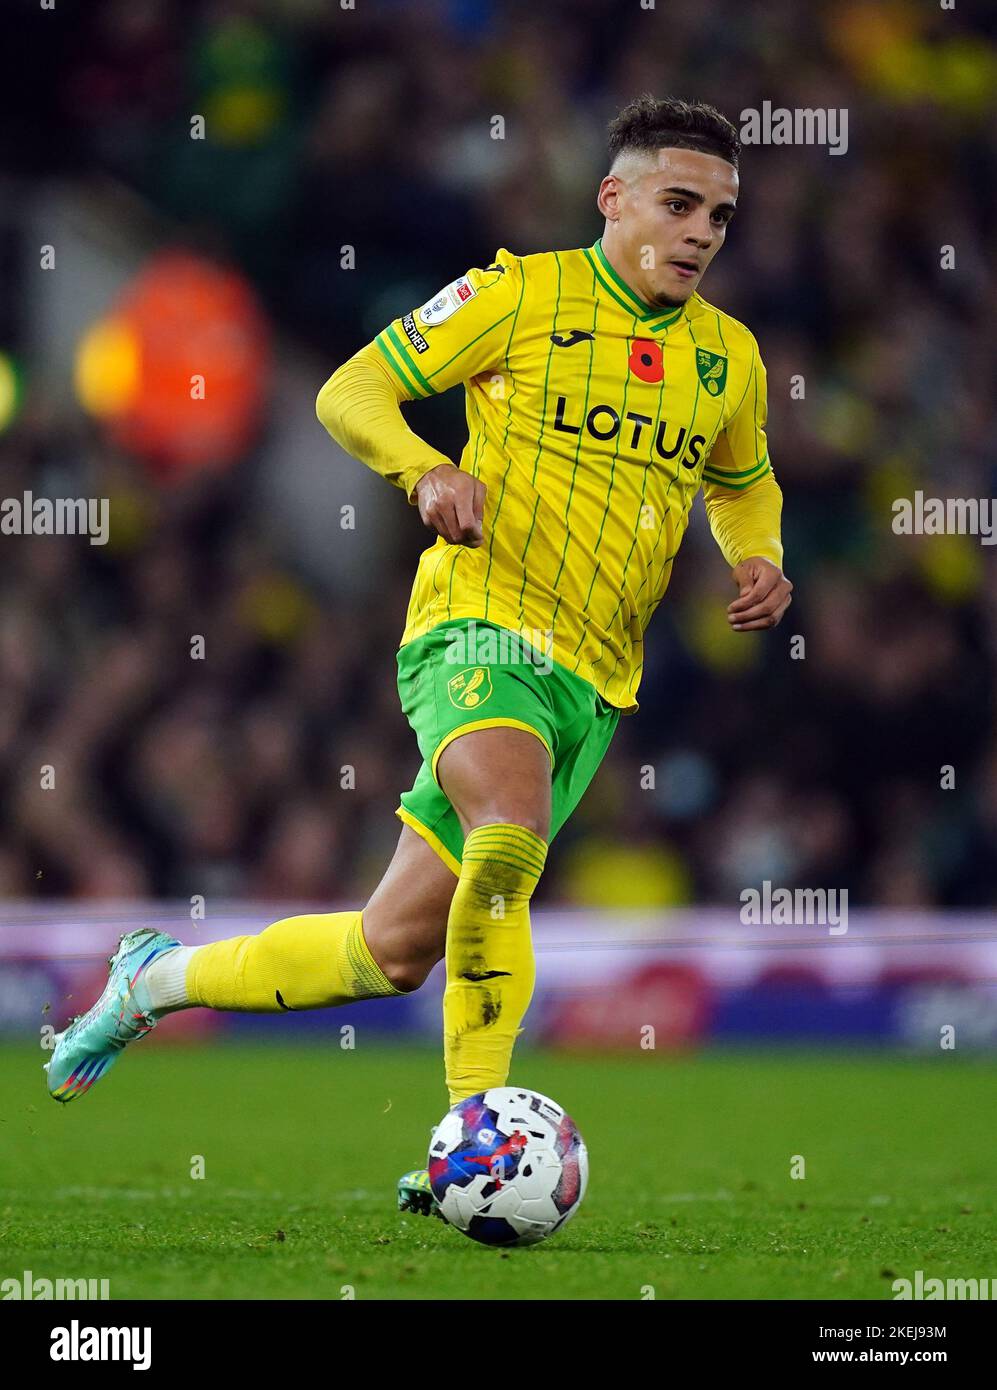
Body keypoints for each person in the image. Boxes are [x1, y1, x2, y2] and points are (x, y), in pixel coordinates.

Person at [45, 94, 792, 1217]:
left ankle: (154, 978)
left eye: (720, 217)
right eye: (678, 204)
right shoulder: (516, 293)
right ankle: (476, 1139)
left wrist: (761, 554)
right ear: (614, 199)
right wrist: (422, 470)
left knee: (390, 949)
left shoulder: (729, 359)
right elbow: (350, 389)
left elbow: (741, 483)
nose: (698, 233)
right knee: (512, 827)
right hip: (475, 628)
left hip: (594, 678)